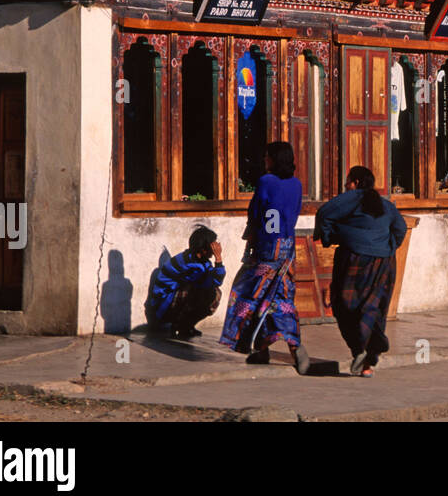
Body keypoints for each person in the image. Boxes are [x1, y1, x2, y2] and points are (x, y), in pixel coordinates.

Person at [219, 142, 310, 374]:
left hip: (266, 246)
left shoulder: (266, 182)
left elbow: (257, 213)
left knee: (248, 292)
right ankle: (290, 346)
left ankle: (251, 343)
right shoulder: (297, 184)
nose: (264, 160)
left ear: (273, 159)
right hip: (287, 247)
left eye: (267, 156)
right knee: (281, 296)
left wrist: (251, 239)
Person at [315, 165, 408, 377]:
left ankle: (359, 349)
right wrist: (388, 246)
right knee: (375, 308)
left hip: (354, 259)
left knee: (344, 304)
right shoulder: (385, 204)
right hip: (384, 262)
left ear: (356, 183)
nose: (346, 186)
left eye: (348, 181)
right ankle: (368, 363)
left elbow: (324, 213)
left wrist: (329, 237)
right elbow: (400, 228)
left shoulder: (353, 197)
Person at [145, 225, 225, 339]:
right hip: (162, 307)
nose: (215, 248)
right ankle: (179, 325)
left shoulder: (199, 260)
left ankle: (186, 325)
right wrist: (218, 259)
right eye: (212, 246)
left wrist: (217, 264)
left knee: (215, 293)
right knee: (206, 293)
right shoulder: (189, 264)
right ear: (203, 249)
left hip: (172, 301)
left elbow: (215, 282)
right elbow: (211, 283)